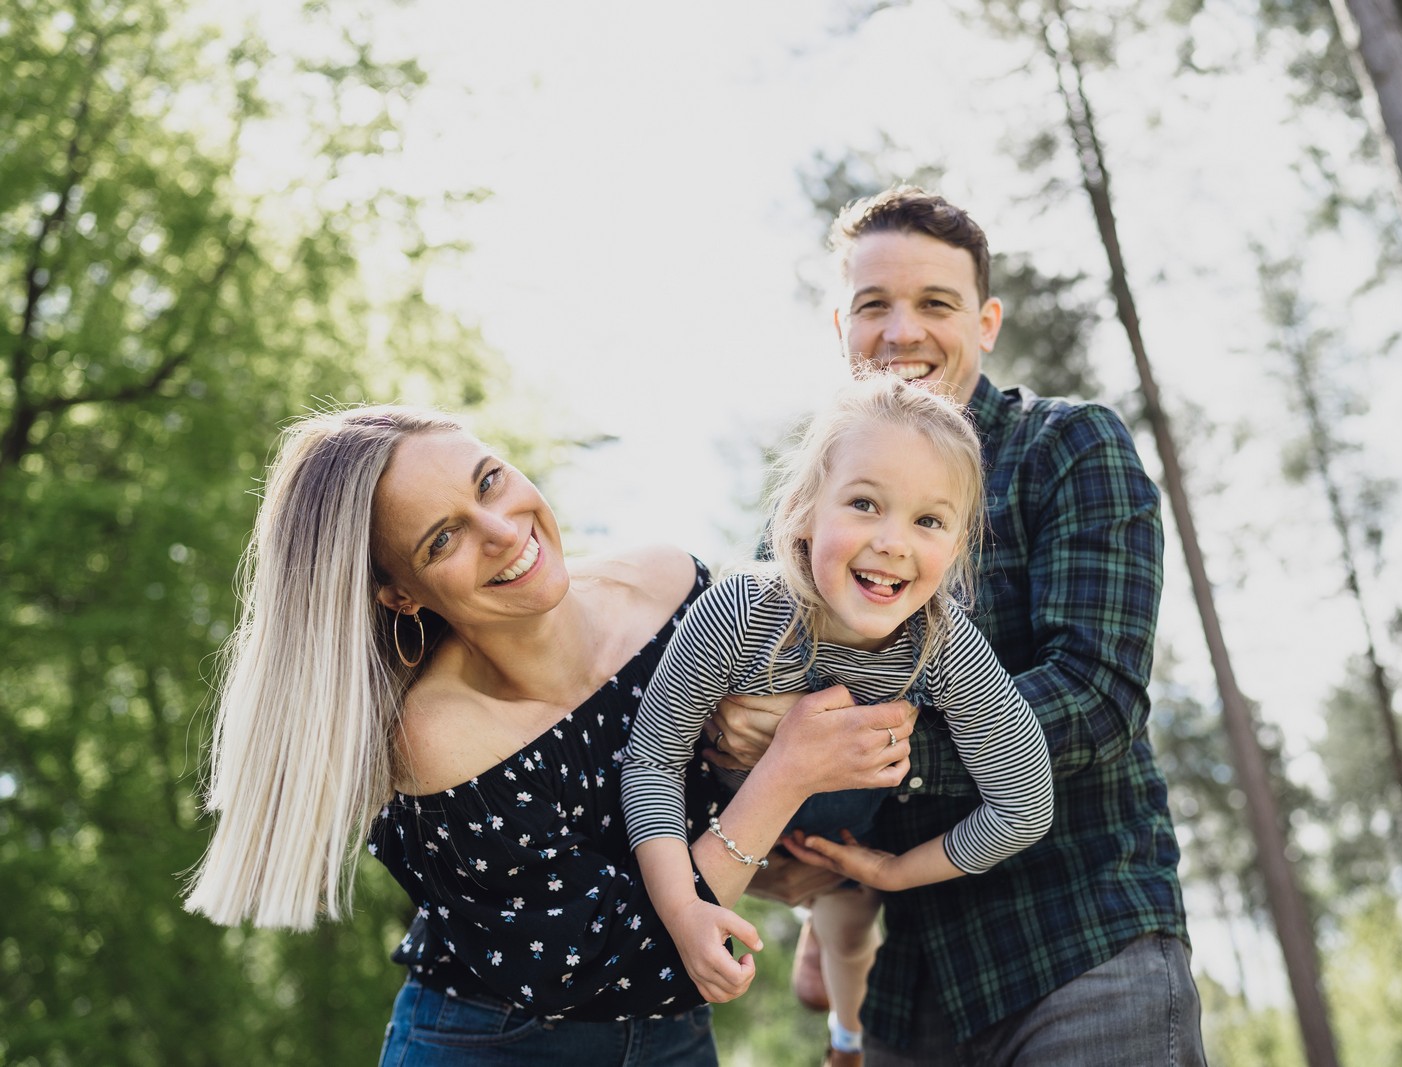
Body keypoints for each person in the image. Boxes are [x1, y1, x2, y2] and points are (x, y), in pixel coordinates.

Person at [181, 404, 918, 1066]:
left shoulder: (668, 590)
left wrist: (782, 829)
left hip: (675, 1037)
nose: (504, 532)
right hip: (498, 1042)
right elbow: (636, 954)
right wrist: (784, 772)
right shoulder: (440, 736)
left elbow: (690, 824)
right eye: (444, 538)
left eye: (491, 481)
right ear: (401, 592)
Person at [713, 187, 1205, 1065]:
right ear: (841, 327)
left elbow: (1093, 697)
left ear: (985, 322)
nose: (902, 332)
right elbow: (754, 715)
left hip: (1081, 937)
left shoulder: (1067, 448)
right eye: (874, 306)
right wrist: (762, 791)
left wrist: (863, 753)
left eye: (934, 303)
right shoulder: (805, 521)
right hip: (914, 987)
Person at [621, 373, 1055, 1065]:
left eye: (929, 520)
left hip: (843, 841)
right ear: (801, 511)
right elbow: (650, 759)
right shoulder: (740, 612)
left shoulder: (940, 645)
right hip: (724, 828)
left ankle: (846, 1037)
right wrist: (683, 906)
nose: (893, 541)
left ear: (959, 545)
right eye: (864, 503)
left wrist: (895, 870)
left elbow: (1024, 804)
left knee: (849, 924)